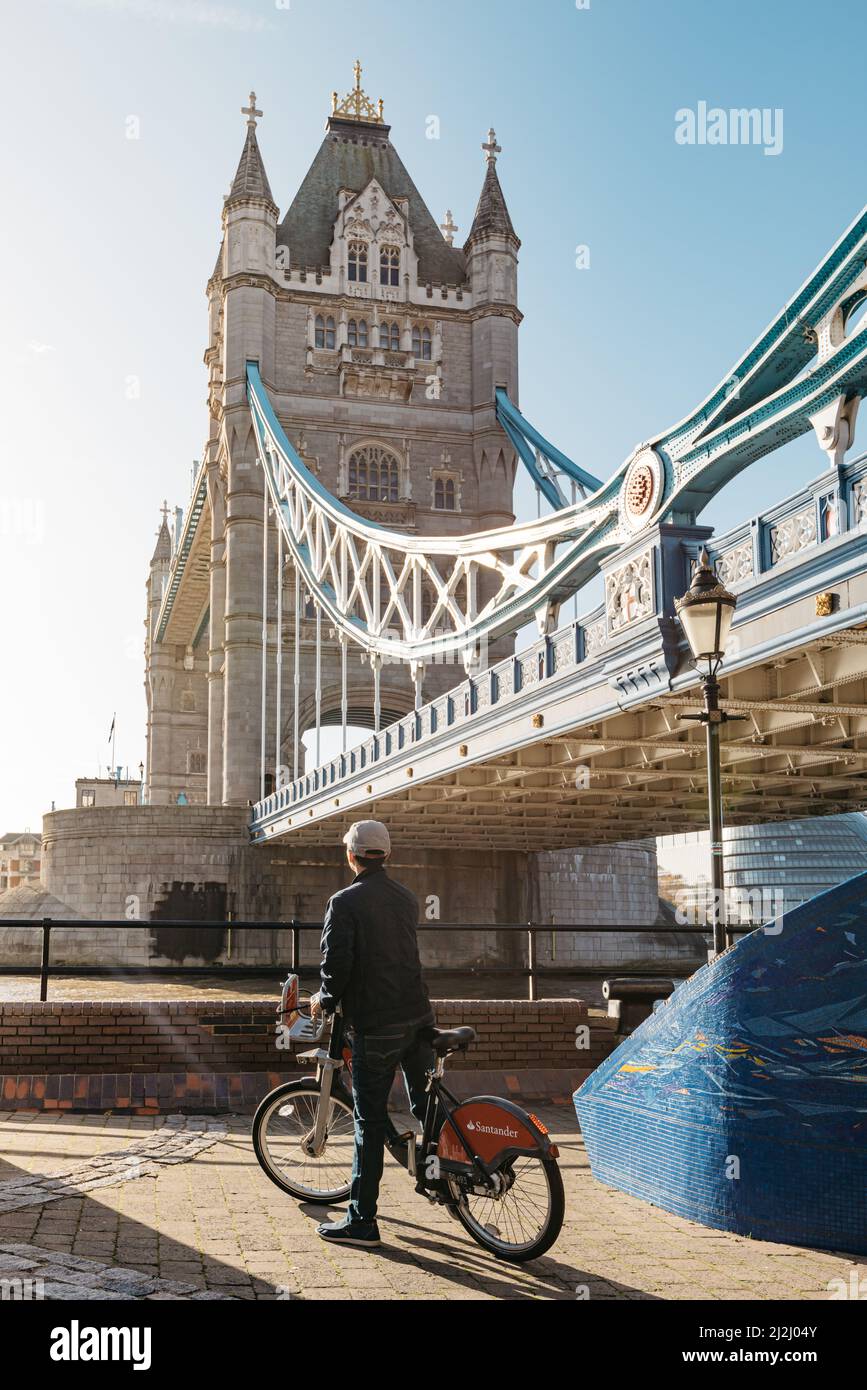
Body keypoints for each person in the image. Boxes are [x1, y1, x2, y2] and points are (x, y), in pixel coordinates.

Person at [309, 819, 435, 1249]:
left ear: (351, 856)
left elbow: (337, 967)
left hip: (376, 1026)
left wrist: (323, 1000)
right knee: (427, 1106)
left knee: (369, 1120)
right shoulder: (406, 898)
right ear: (386, 855)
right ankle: (445, 1179)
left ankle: (362, 1222)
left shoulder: (343, 903)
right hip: (418, 1017)